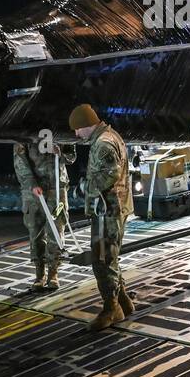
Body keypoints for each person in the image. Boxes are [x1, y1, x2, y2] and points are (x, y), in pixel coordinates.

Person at [69, 103, 134, 329]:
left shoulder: (103, 143)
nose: (76, 134)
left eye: (78, 129)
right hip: (113, 207)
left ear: (87, 125)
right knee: (111, 257)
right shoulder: (110, 135)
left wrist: (82, 188)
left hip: (108, 210)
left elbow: (109, 174)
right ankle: (124, 302)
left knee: (102, 260)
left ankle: (111, 310)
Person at [13, 132, 76, 290]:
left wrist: (60, 154)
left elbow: (72, 156)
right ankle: (39, 275)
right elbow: (20, 159)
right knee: (36, 231)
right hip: (34, 192)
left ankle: (53, 273)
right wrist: (31, 183)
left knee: (56, 230)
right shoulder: (26, 128)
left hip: (57, 189)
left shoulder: (61, 129)